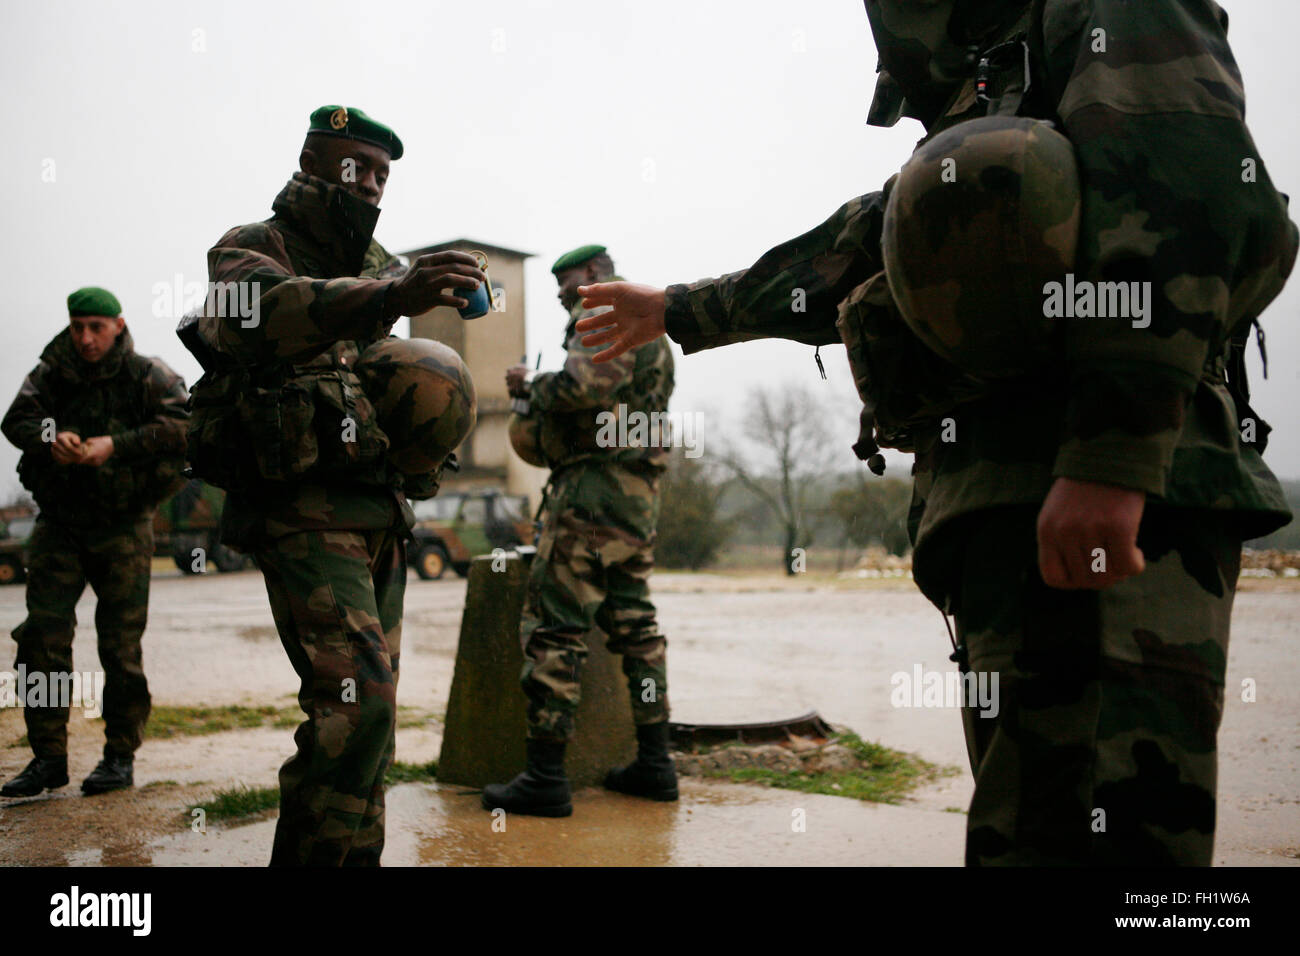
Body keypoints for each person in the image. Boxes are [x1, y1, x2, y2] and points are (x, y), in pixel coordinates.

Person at [572, 1, 1297, 864]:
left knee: (1095, 838)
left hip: (1093, 503)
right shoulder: (992, 55)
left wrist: (1113, 458)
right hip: (1008, 508)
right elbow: (878, 240)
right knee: (1028, 826)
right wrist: (683, 308)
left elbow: (1184, 178)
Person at [184, 104, 486, 865]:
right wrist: (389, 296)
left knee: (372, 721)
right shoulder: (253, 247)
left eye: (384, 173)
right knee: (357, 705)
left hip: (377, 504)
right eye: (359, 166)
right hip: (299, 508)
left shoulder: (382, 261)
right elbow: (259, 320)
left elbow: (387, 380)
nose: (374, 183)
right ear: (314, 164)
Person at [483, 245, 677, 817]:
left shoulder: (601, 311)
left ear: (593, 273)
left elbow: (585, 387)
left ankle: (545, 777)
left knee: (555, 626)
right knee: (636, 626)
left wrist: (529, 388)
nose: (562, 295)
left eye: (565, 283)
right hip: (638, 494)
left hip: (592, 489)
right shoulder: (650, 323)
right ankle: (657, 763)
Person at [1, 287, 188, 797]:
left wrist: (116, 446)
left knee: (120, 648)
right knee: (42, 640)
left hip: (124, 526)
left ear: (119, 326)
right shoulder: (50, 371)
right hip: (60, 524)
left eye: (96, 327)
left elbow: (184, 427)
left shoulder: (149, 374)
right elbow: (16, 420)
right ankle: (47, 759)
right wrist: (50, 435)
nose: (85, 337)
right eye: (78, 326)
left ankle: (119, 757)